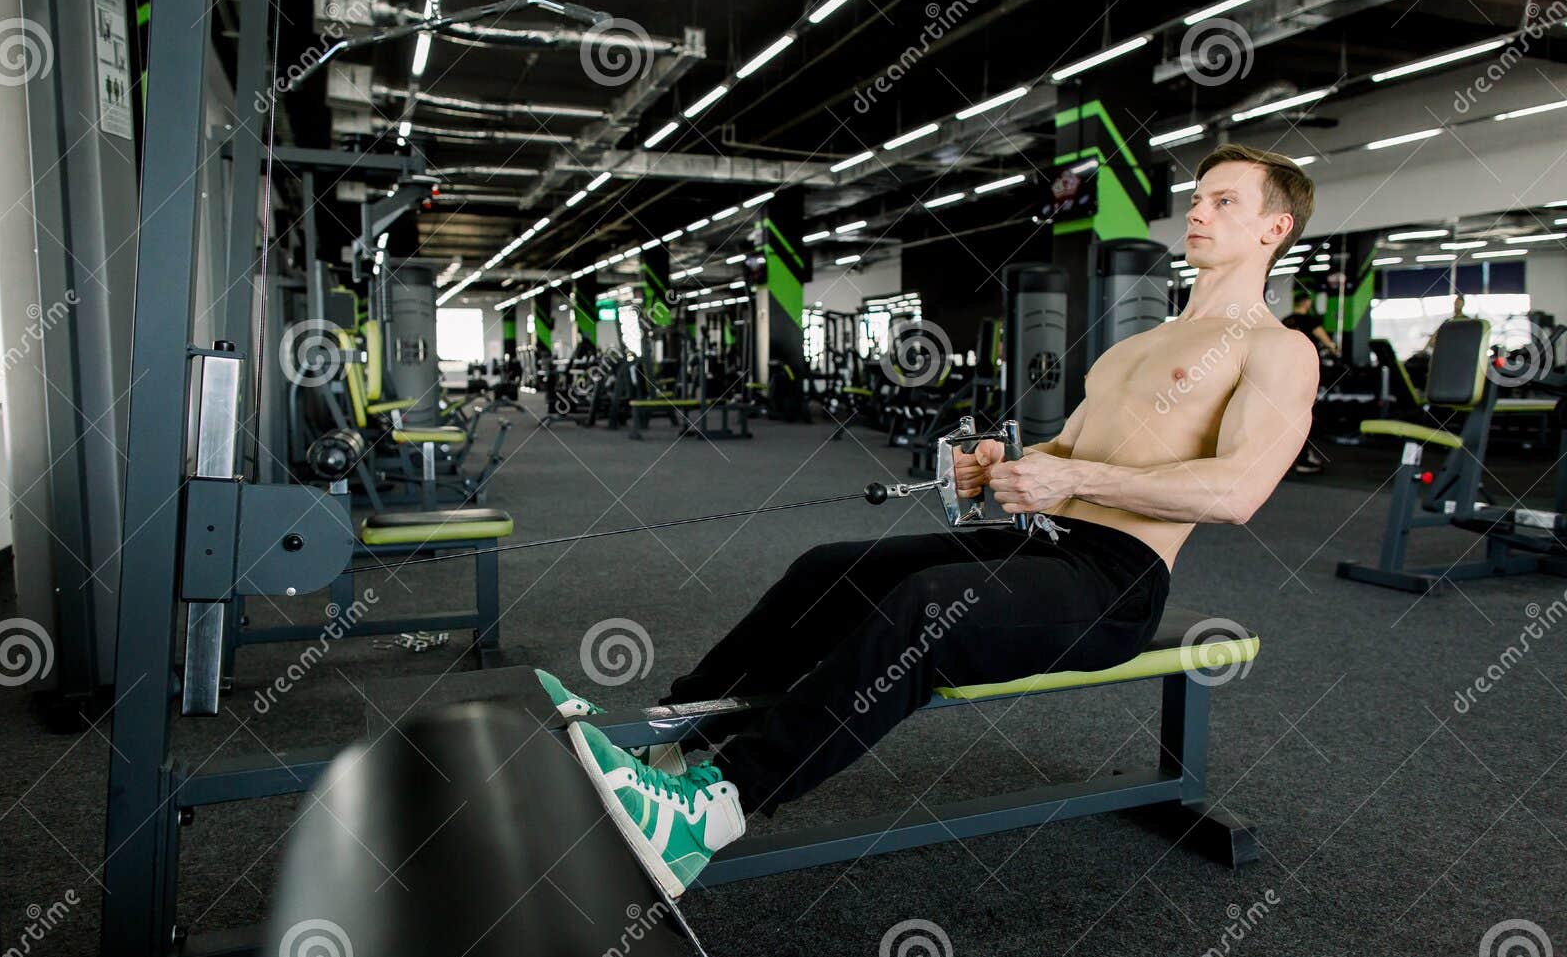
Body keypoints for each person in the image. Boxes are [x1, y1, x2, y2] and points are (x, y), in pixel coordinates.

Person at [567, 143, 1321, 901]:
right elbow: (1069, 451)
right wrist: (1006, 461)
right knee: (830, 568)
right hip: (1041, 543)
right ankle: (670, 738)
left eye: (1226, 201)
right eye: (1199, 195)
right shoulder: (1141, 341)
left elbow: (1238, 491)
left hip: (1116, 580)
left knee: (927, 608)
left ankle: (713, 807)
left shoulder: (1277, 349)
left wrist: (1075, 475)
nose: (1197, 209)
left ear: (1273, 228)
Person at [1280, 294, 1334, 475]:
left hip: (1285, 372)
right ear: (1308, 303)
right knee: (1304, 414)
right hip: (1305, 371)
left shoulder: (1285, 321)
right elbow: (1329, 343)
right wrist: (1334, 349)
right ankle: (1302, 458)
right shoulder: (1310, 320)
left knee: (1291, 414)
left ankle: (1293, 456)